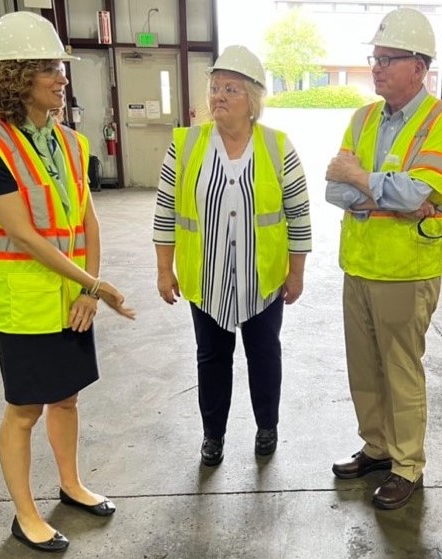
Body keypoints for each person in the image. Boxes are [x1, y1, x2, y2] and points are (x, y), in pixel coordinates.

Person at [0, 11, 135, 553]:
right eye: (49, 69)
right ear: (15, 78)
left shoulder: (72, 144)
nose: (62, 78)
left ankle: (71, 484)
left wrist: (87, 289)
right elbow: (25, 235)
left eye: (61, 67)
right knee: (25, 411)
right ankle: (26, 515)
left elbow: (88, 220)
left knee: (67, 399)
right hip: (26, 307)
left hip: (70, 302)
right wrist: (98, 287)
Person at [324, 7, 442, 510]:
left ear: (418, 67)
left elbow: (416, 193)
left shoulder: (441, 121)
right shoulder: (361, 117)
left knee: (401, 370)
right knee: (363, 368)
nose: (377, 68)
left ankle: (407, 465)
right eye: (375, 58)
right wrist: (387, 194)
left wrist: (363, 180)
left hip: (406, 270)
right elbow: (333, 190)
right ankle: (377, 448)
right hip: (358, 265)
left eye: (388, 59)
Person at [153, 45, 311, 467]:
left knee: (265, 355)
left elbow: (298, 214)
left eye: (231, 89)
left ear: (253, 101)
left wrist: (297, 274)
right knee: (211, 359)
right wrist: (163, 269)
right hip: (205, 280)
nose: (218, 96)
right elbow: (166, 209)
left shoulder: (278, 146)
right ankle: (213, 436)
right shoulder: (186, 144)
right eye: (215, 87)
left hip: (263, 279)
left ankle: (267, 427)